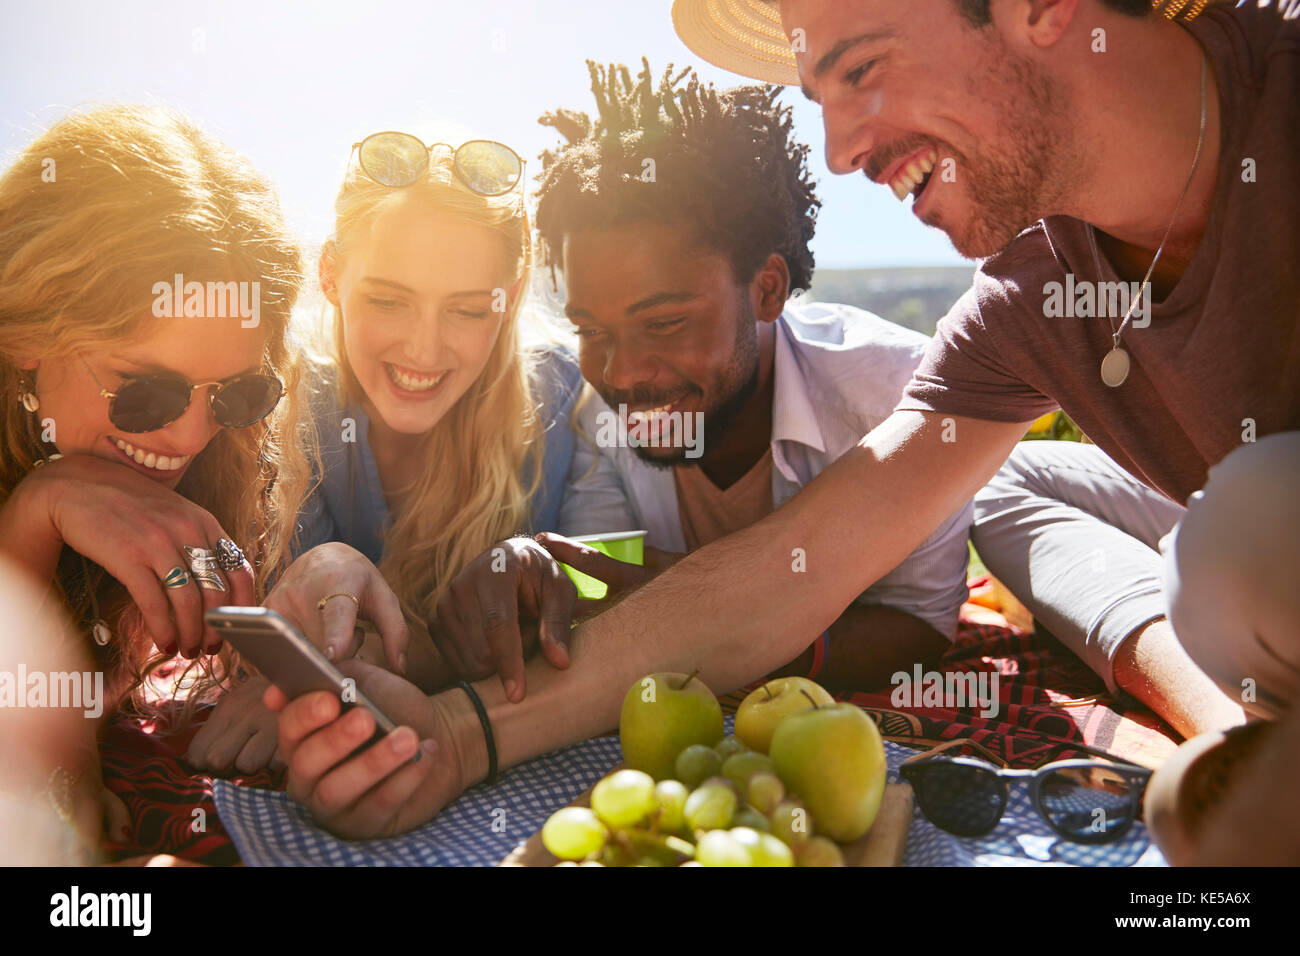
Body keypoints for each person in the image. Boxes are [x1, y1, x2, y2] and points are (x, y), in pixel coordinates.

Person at [266, 0, 1298, 837]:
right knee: (1036, 490)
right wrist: (455, 733)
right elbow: (786, 564)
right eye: (817, 96)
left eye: (859, 70)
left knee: (1241, 528)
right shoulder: (1032, 297)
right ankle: (1225, 725)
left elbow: (886, 611)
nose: (840, 151)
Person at [434, 63, 972, 694]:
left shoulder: (897, 399)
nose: (621, 373)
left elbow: (919, 623)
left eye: (663, 324)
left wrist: (708, 617)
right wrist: (532, 576)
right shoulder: (597, 418)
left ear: (767, 288)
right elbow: (598, 587)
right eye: (593, 331)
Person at [186, 131, 587, 771]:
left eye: (465, 310)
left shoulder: (566, 404)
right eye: (387, 300)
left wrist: (374, 658)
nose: (424, 351)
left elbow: (599, 613)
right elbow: (287, 637)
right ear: (330, 276)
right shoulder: (291, 410)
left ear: (508, 301)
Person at [0, 104, 367, 803]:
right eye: (145, 391)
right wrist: (35, 515)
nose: (192, 439)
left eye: (236, 395)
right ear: (25, 332)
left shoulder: (218, 468)